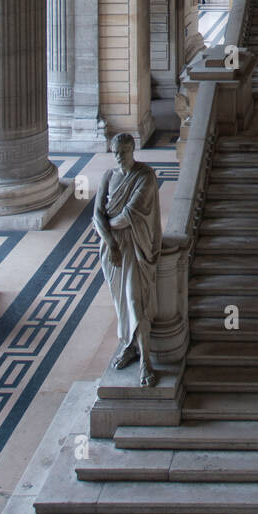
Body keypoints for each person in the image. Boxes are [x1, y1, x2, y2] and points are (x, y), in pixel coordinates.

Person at [93, 134, 163, 388]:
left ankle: (146, 361)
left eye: (124, 151)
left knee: (135, 300)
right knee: (121, 303)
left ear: (133, 150)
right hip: (113, 250)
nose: (119, 156)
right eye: (115, 152)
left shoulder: (145, 176)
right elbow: (96, 213)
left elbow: (129, 214)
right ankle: (130, 346)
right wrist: (110, 241)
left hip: (135, 245)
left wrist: (106, 227)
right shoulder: (109, 177)